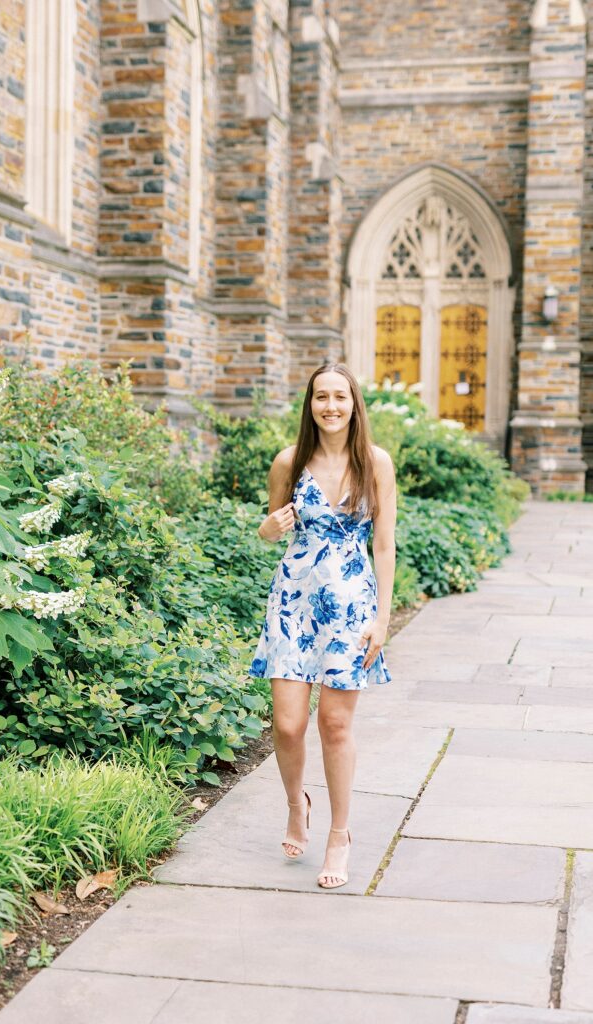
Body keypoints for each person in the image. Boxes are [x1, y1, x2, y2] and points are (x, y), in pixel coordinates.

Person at [248, 362, 396, 889]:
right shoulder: (288, 462)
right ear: (309, 405)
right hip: (294, 602)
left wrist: (382, 618)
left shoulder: (375, 462)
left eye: (340, 397)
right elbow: (273, 529)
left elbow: (383, 544)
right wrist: (266, 529)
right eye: (320, 398)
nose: (330, 406)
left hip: (352, 608)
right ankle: (296, 804)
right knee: (287, 724)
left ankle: (339, 834)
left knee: (335, 725)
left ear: (354, 403)